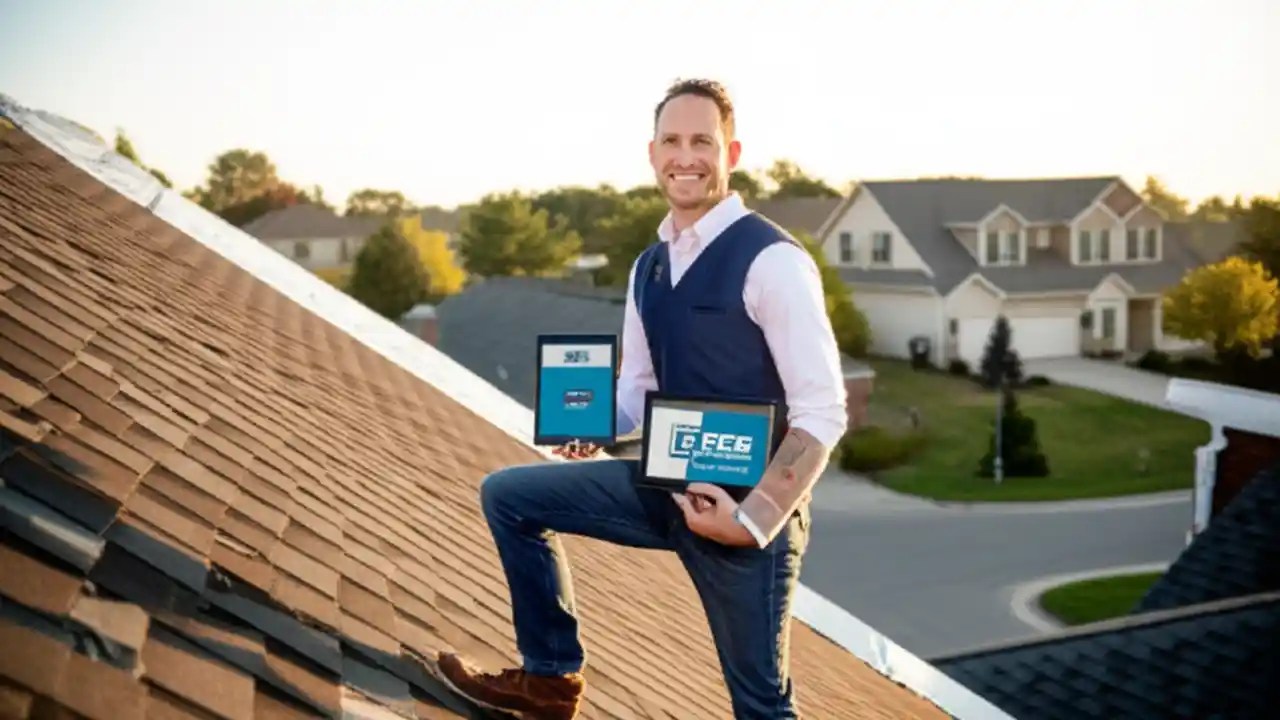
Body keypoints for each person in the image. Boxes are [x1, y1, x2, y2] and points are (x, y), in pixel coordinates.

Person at [436, 78, 848, 720]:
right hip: (663, 488)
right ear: (652, 154)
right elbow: (638, 392)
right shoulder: (649, 267)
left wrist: (752, 521)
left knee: (762, 708)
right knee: (510, 497)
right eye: (672, 142)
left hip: (743, 517)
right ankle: (550, 684)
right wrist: (595, 424)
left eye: (702, 142)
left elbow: (823, 412)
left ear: (732, 154)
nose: (686, 157)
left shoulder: (772, 260)